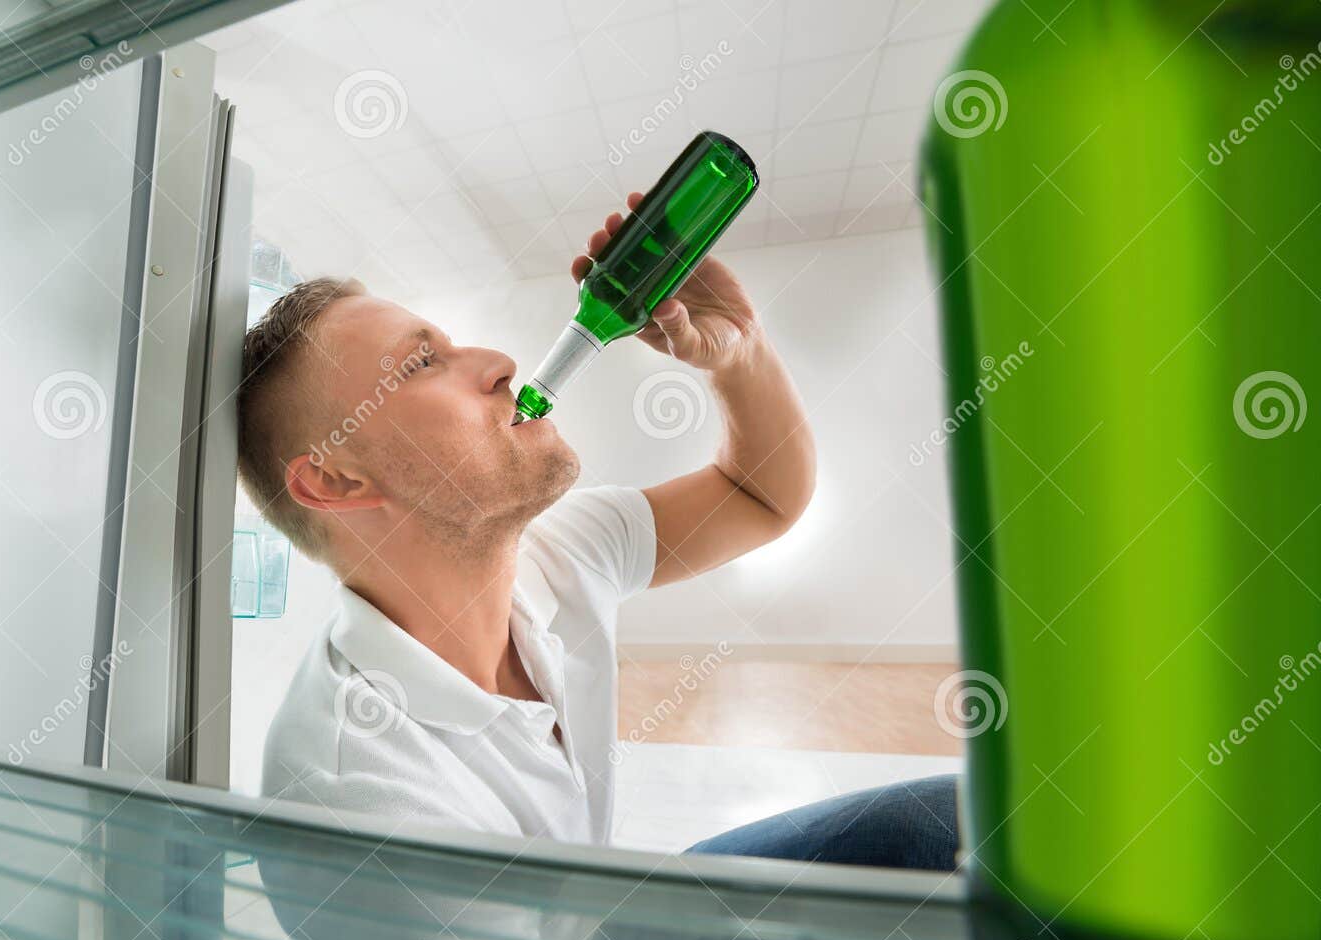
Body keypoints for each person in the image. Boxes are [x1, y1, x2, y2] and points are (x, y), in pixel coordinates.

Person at [236, 192, 958, 871]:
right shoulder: (363, 797)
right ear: (334, 481)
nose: (499, 363)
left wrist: (741, 355)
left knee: (951, 821)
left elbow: (762, 496)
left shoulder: (556, 551)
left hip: (592, 916)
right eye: (422, 362)